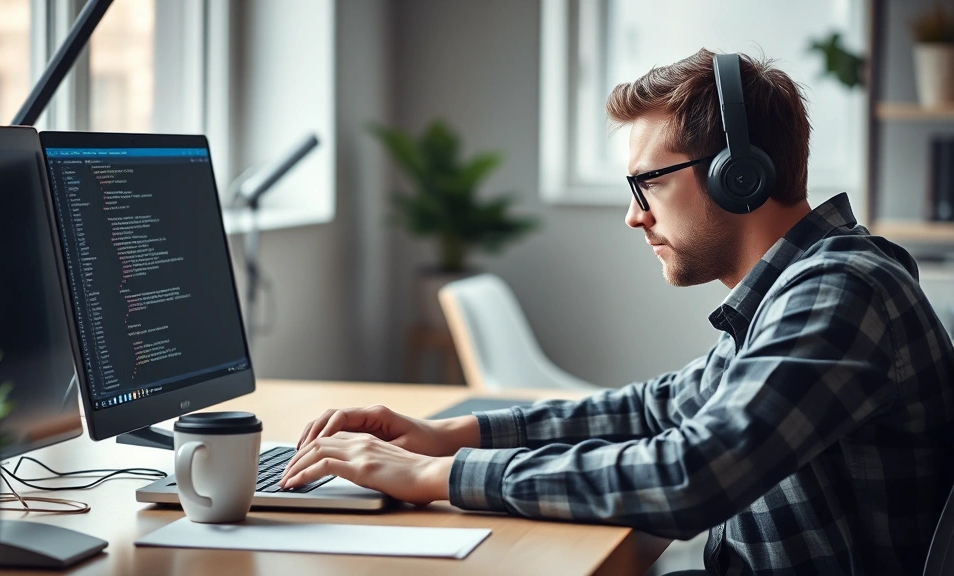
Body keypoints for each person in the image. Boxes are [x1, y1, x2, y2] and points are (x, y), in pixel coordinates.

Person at [280, 49, 954, 575]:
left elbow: (692, 474)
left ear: (738, 174)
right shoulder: (800, 286)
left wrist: (437, 477)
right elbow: (655, 410)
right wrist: (450, 435)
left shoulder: (840, 291)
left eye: (649, 183)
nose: (634, 216)